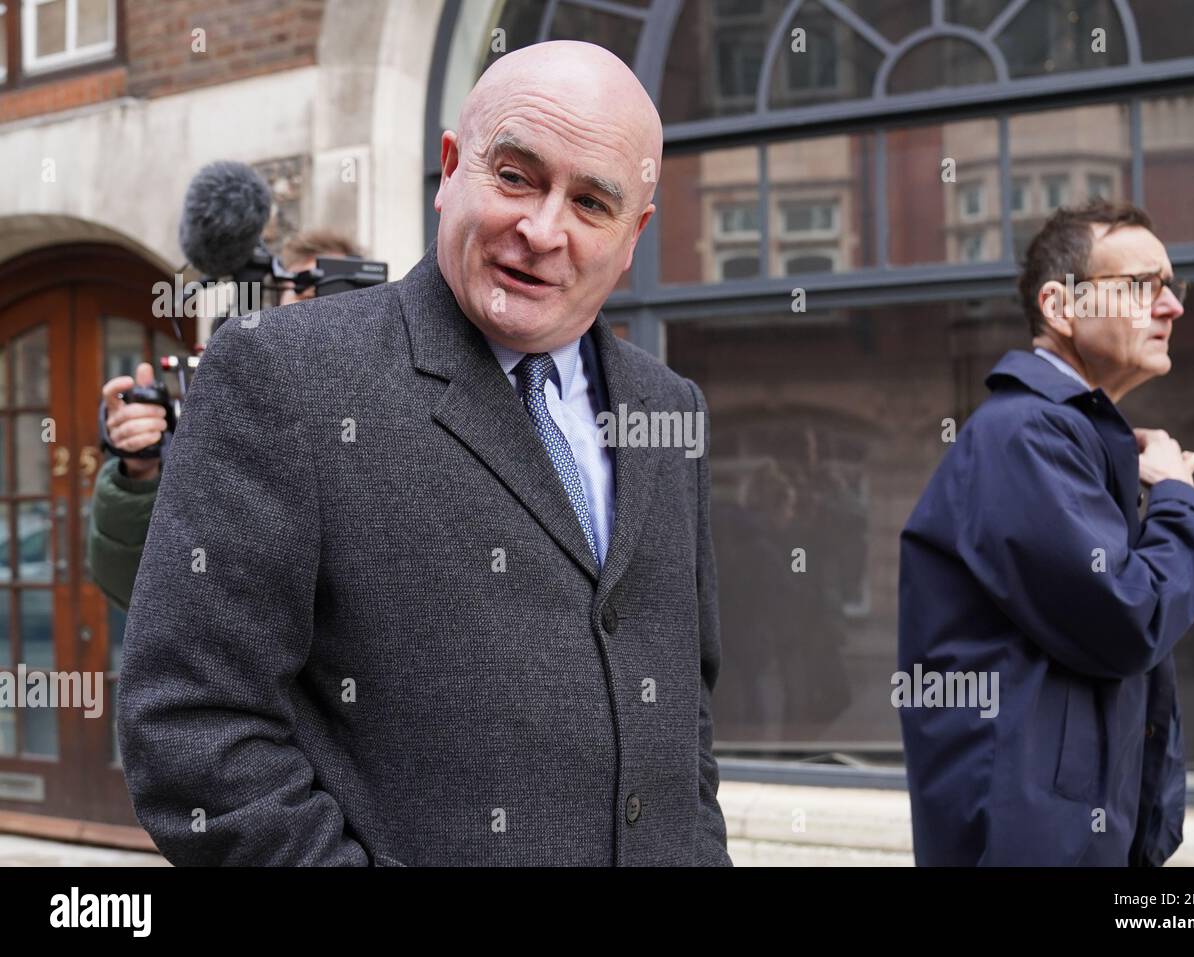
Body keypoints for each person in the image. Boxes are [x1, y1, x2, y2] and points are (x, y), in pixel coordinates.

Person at [118, 40, 731, 866]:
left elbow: (683, 712)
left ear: (633, 236)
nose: (542, 229)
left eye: (591, 203)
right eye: (516, 176)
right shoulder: (284, 375)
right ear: (451, 167)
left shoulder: (669, 408)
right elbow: (192, 724)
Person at [897, 200, 1194, 866]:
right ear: (1061, 305)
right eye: (1142, 286)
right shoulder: (1025, 434)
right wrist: (1178, 501)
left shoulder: (1064, 435)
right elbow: (1129, 617)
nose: (1172, 308)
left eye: (1171, 286)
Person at [87, 229, 360, 611]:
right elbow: (131, 587)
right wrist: (140, 473)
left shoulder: (401, 399)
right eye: (300, 289)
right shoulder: (231, 411)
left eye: (331, 288)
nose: (313, 305)